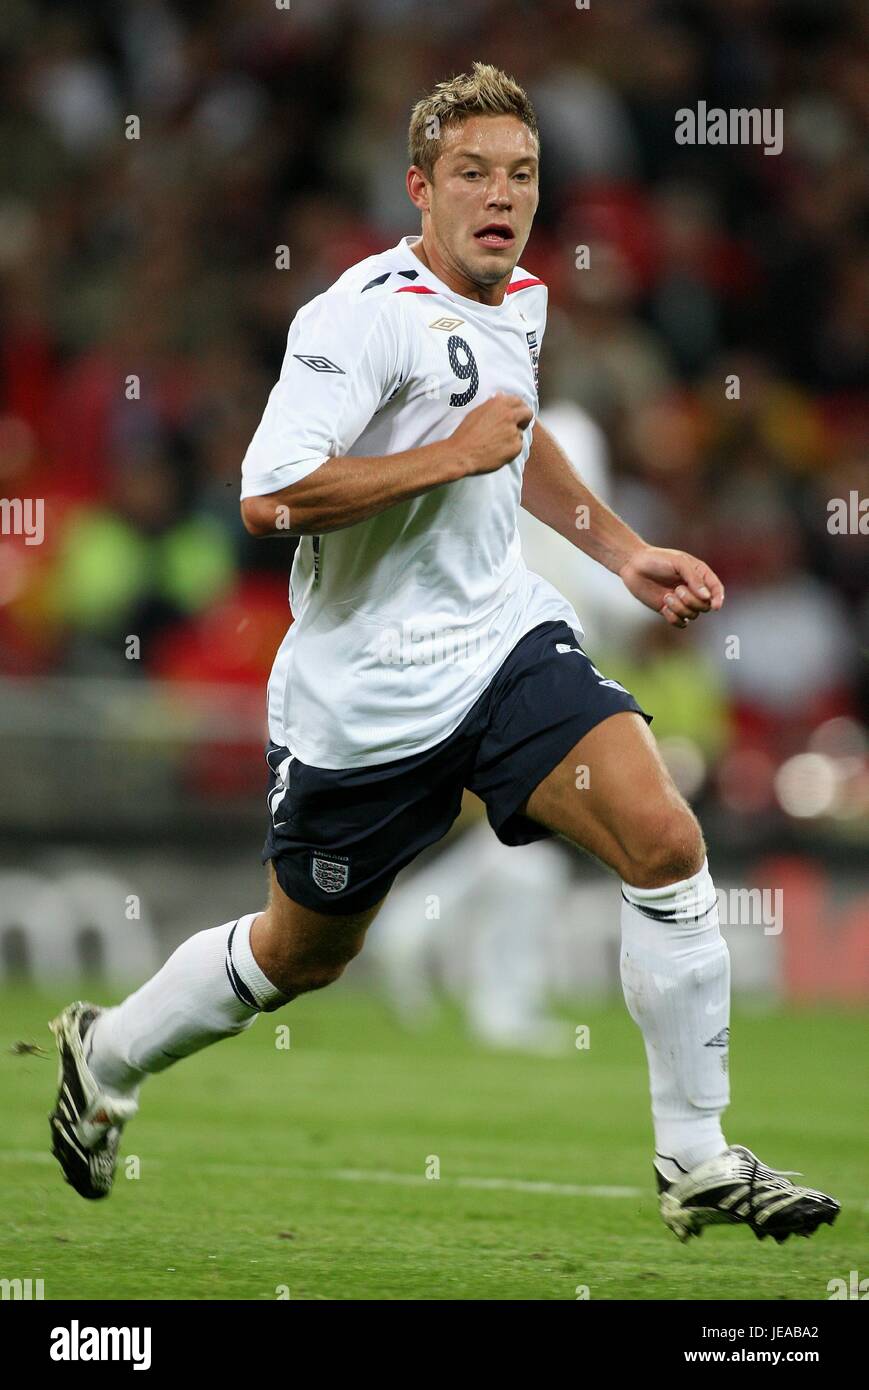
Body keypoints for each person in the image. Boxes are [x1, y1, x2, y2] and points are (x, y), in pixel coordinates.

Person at [49, 63, 839, 1243]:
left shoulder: (520, 296)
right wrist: (449, 457)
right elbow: (270, 499)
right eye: (471, 173)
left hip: (500, 639)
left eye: (520, 174)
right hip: (363, 698)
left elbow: (511, 443)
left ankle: (695, 1155)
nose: (500, 195)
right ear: (418, 188)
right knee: (295, 955)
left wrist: (623, 553)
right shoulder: (354, 316)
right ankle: (105, 1049)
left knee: (665, 837)